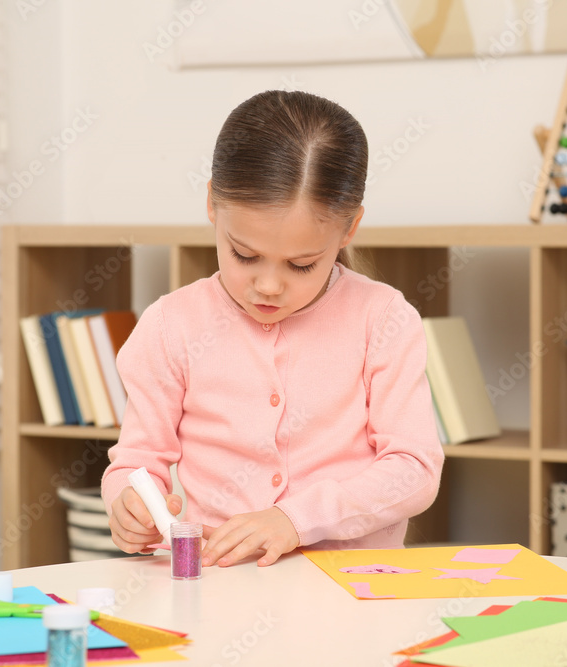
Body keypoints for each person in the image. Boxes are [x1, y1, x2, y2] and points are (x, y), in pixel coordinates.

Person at [102, 90, 443, 568]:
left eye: (302, 265)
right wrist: (127, 502)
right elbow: (136, 461)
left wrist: (295, 519)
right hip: (222, 585)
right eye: (244, 255)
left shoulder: (382, 319)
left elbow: (414, 470)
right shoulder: (169, 326)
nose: (267, 286)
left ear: (348, 230)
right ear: (211, 206)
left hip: (352, 587)